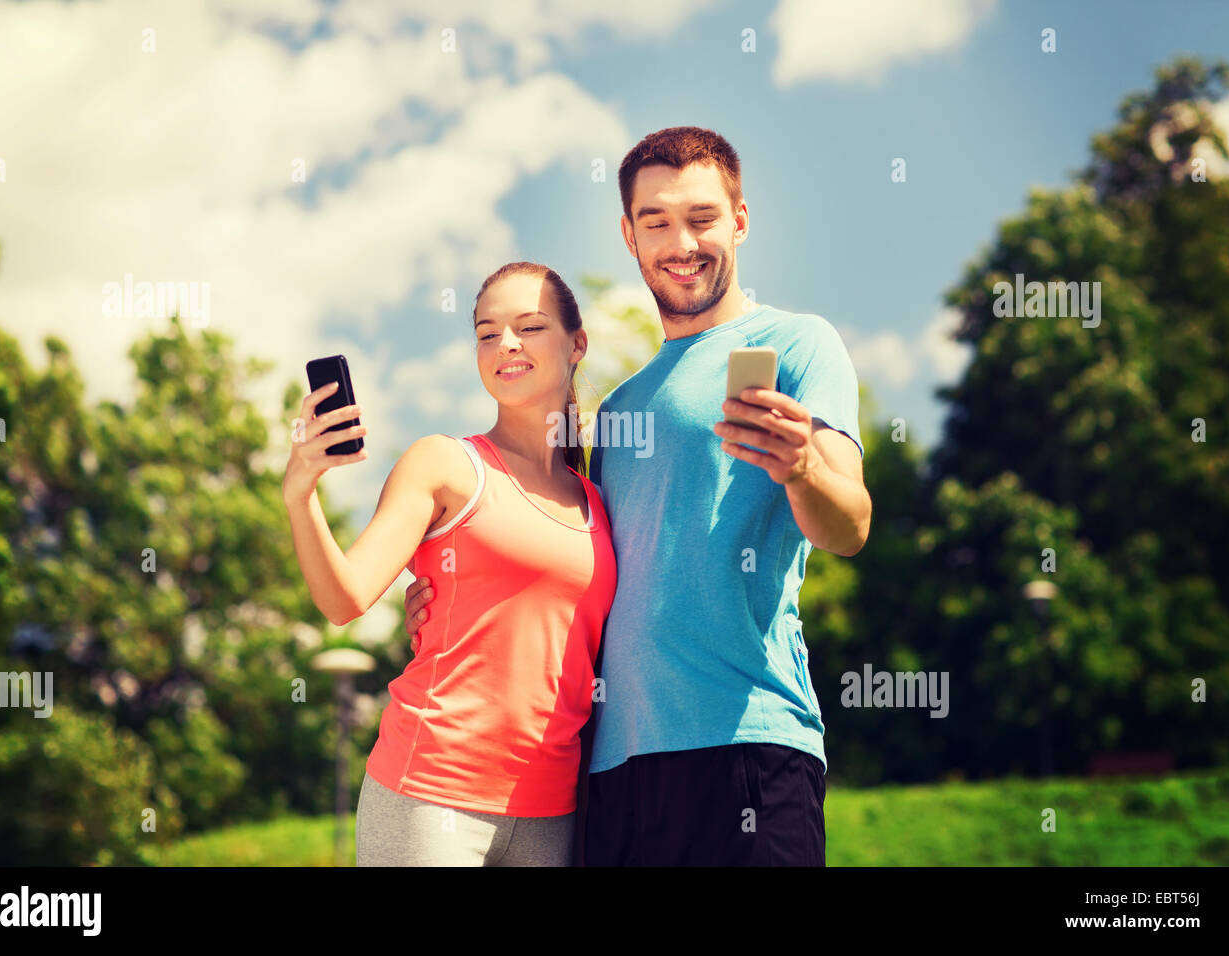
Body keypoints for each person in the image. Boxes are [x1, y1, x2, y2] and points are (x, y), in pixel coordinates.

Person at [403, 127, 871, 866]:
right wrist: (446, 596)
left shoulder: (800, 343)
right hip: (612, 772)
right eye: (656, 222)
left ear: (740, 220)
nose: (680, 242)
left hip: (749, 742)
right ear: (629, 236)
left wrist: (802, 464)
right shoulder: (616, 411)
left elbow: (850, 524)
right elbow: (566, 565)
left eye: (702, 218)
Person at [283, 262, 617, 866]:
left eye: (530, 327)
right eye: (487, 333)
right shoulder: (443, 464)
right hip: (429, 795)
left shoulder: (597, 499)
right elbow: (344, 599)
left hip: (552, 811)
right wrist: (299, 494)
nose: (505, 345)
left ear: (577, 344)